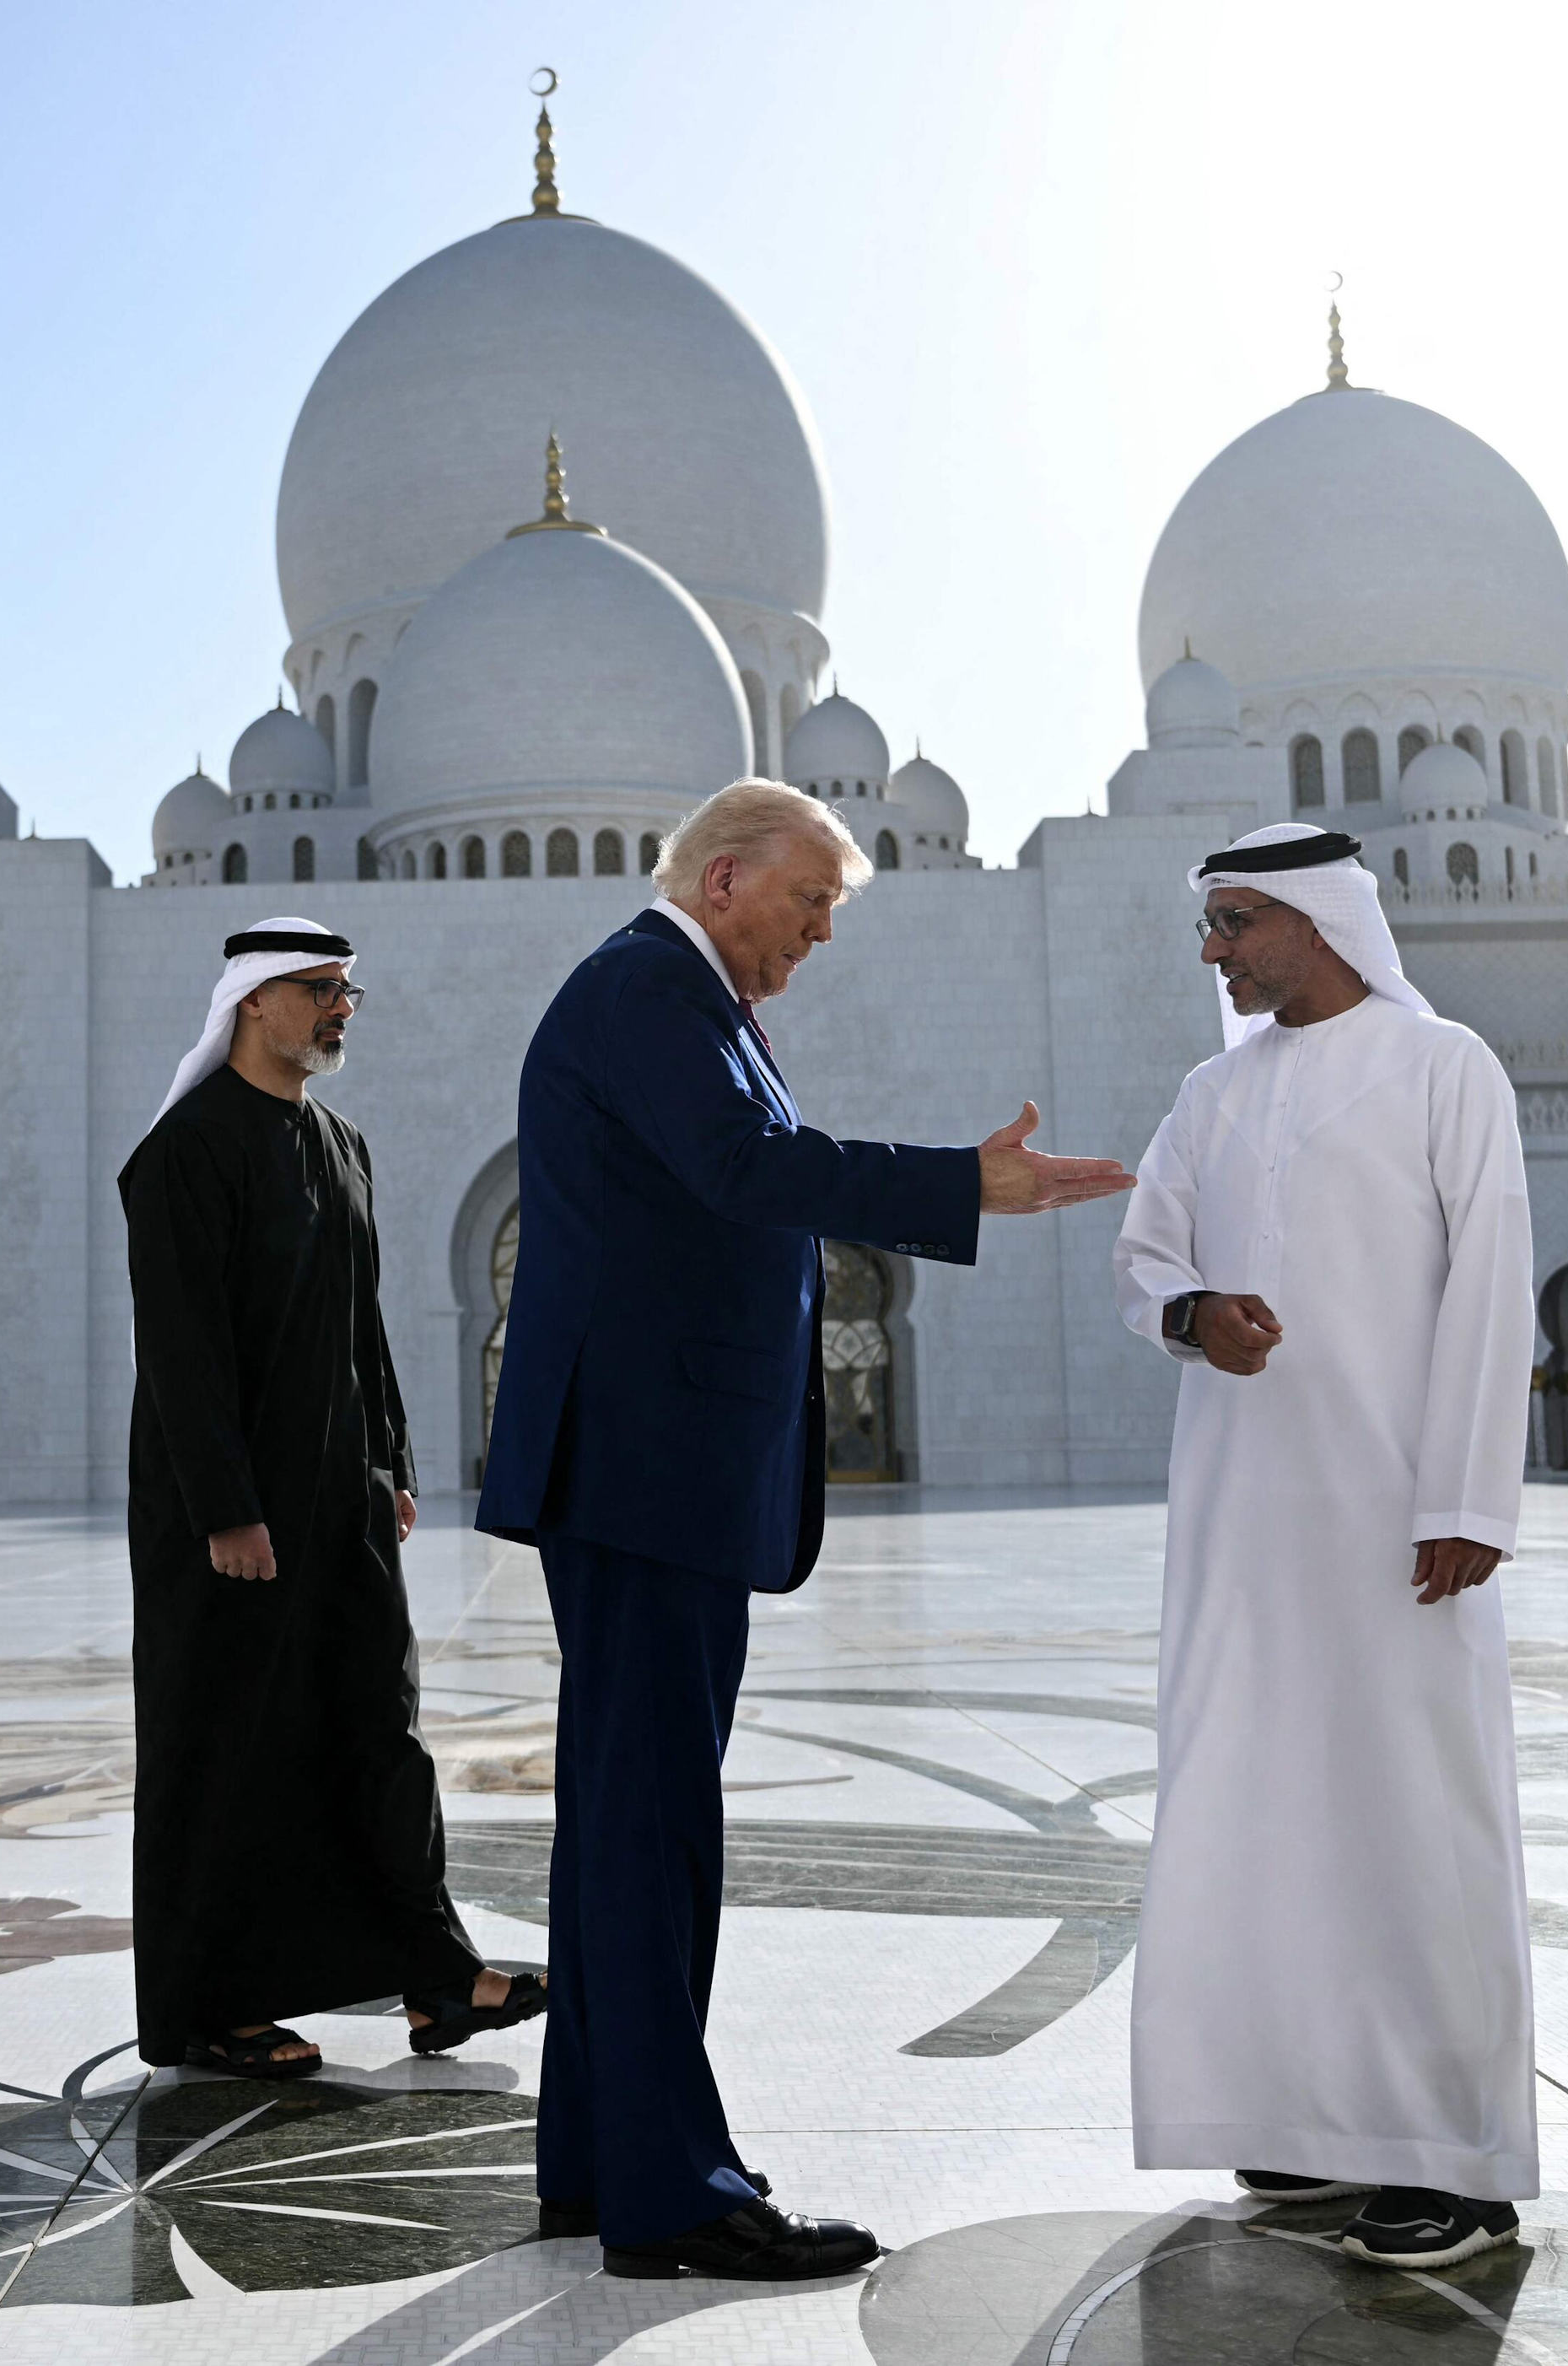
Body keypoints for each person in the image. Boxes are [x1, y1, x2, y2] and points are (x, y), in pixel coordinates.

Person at [478, 782, 1134, 2281]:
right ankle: (668, 2189)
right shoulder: (652, 988)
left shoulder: (677, 995)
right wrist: (962, 1183)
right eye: (809, 905)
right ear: (723, 879)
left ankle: (596, 2156)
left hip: (651, 1470)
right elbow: (748, 1172)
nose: (818, 937)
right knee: (651, 1833)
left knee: (626, 1826)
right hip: (647, 1475)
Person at [1107, 823, 1540, 2271]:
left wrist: (1468, 1497)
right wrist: (1190, 1313)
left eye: (1235, 923)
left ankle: (1451, 2157)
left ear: (1314, 919)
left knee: (1416, 1816)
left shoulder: (1444, 1069)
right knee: (1259, 1813)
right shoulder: (1211, 1094)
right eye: (1209, 927)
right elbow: (1145, 1252)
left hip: (1398, 1528)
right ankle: (1298, 2120)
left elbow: (1494, 1281)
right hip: (1245, 1532)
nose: (1216, 951)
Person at [122, 918, 547, 2082]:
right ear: (254, 1001)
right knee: (231, 1748)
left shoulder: (341, 1144)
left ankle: (436, 1976)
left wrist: (394, 1463)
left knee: (377, 1733)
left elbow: (363, 1324)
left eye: (346, 990)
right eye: (318, 990)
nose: (339, 1007)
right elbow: (181, 1349)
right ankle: (208, 2005)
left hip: (340, 1493)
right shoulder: (186, 1151)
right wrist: (225, 1508)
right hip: (230, 1516)